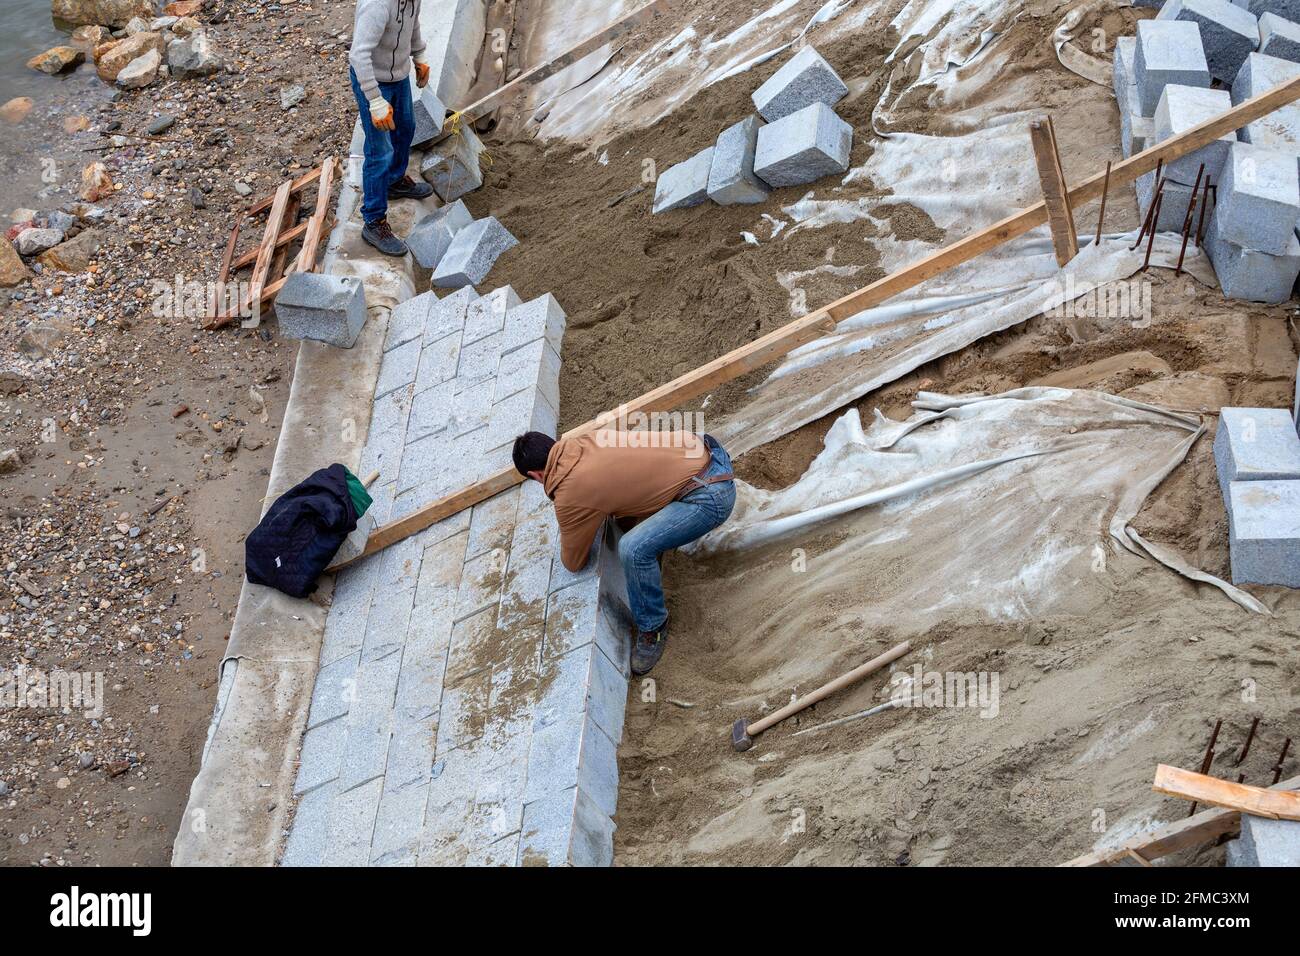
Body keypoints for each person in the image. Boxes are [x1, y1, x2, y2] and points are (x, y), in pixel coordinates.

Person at [512, 429, 736, 676]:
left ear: (536, 475)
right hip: (708, 450)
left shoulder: (570, 493)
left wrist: (579, 513)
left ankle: (653, 627)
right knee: (627, 517)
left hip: (711, 496)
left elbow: (573, 561)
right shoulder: (584, 440)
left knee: (633, 549)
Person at [348, 0, 435, 257]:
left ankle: (394, 181)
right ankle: (373, 221)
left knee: (406, 128)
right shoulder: (377, 5)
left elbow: (413, 24)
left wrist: (419, 55)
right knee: (379, 150)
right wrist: (374, 100)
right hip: (373, 80)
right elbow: (358, 55)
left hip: (398, 76)